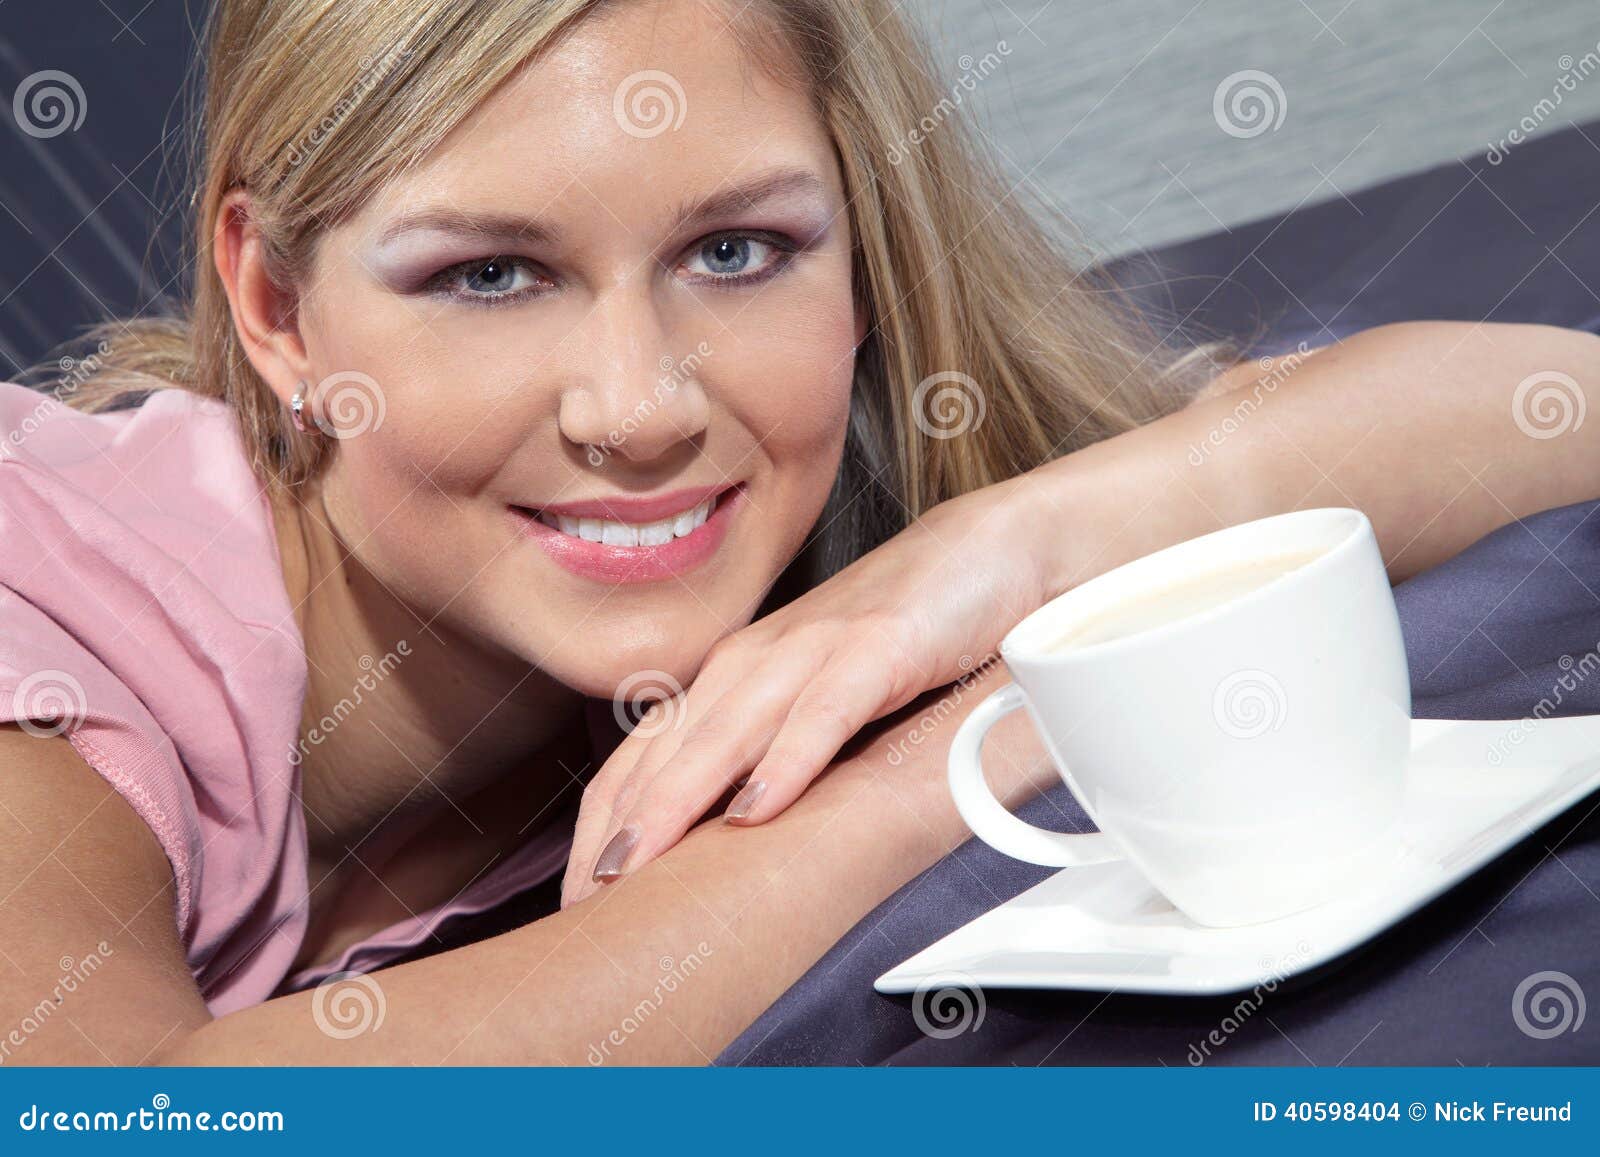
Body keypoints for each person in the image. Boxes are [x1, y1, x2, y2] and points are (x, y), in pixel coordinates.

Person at [3, 0, 1597, 1065]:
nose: (639, 408)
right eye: (490, 274)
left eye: (738, 251)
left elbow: (1549, 408)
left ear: (860, 257)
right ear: (276, 306)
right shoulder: (44, 593)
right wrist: (948, 756)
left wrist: (1019, 553)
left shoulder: (849, 518)